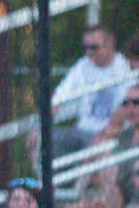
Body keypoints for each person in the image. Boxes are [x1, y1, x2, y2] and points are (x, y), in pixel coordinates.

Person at [49, 25, 133, 157]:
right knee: (39, 139)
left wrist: (106, 133)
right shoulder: (82, 66)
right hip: (81, 130)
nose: (88, 53)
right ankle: (43, 177)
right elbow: (59, 95)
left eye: (93, 47)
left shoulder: (125, 66)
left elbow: (126, 107)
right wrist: (43, 125)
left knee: (99, 150)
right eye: (85, 48)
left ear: (110, 44)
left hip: (112, 134)